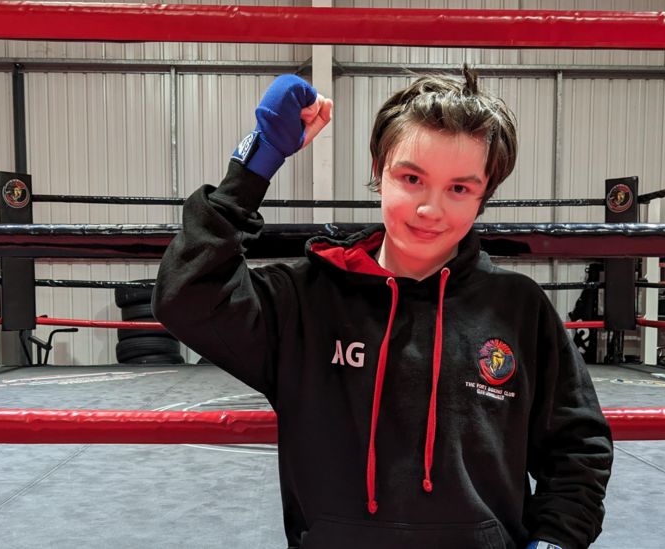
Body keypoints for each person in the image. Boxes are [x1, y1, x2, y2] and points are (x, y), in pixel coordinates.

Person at [153, 66, 613, 549]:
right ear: (378, 170)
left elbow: (576, 447)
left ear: (484, 196)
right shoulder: (306, 300)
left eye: (459, 188)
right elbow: (187, 295)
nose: (430, 209)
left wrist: (556, 540)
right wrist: (256, 161)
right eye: (411, 177)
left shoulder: (520, 309)